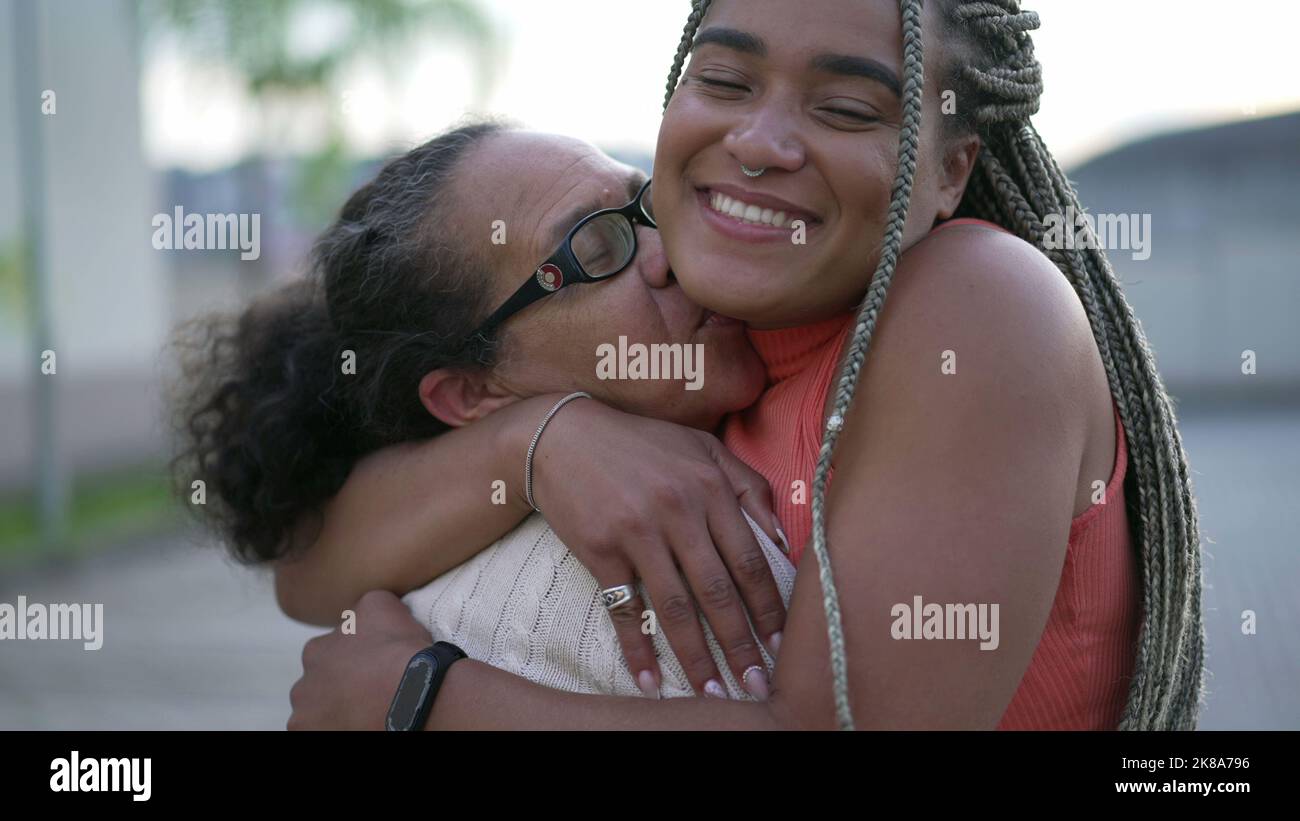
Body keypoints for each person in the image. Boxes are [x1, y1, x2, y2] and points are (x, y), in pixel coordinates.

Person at [285, 0, 1204, 729]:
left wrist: (418, 701)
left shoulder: (977, 301)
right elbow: (308, 573)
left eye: (847, 108)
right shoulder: (704, 351)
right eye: (724, 80)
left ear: (950, 171)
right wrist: (539, 443)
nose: (761, 143)